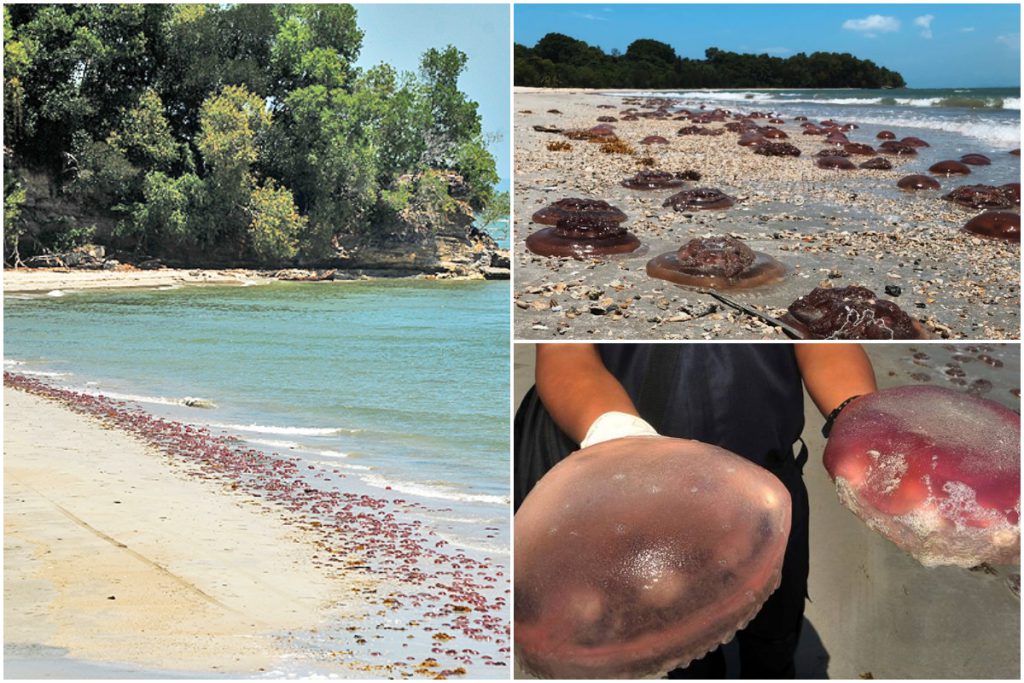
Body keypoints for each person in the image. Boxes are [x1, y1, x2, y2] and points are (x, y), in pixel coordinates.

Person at [518, 343, 878, 679]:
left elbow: (819, 340)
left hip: (768, 488)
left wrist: (863, 418)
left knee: (775, 634)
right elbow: (563, 352)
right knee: (681, 656)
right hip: (641, 506)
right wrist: (618, 434)